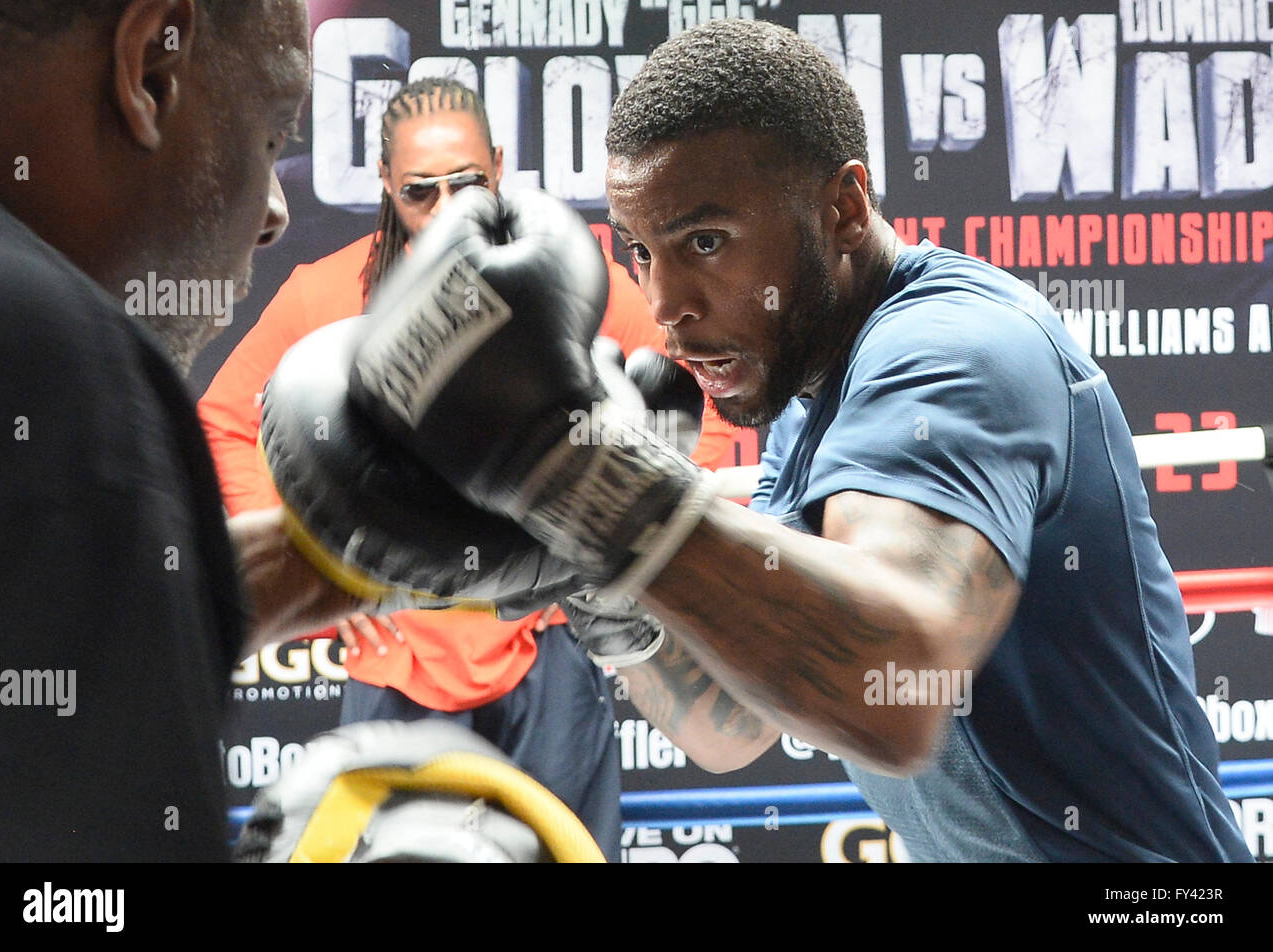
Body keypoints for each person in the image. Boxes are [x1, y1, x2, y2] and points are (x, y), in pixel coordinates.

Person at [368, 19, 1252, 862]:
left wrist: (595, 488)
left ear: (843, 207)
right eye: (640, 251)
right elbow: (731, 727)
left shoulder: (953, 354)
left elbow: (893, 688)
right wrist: (605, 584)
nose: (667, 307)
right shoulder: (801, 380)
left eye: (704, 241)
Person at [197, 77, 741, 861]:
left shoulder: (561, 279)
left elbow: (697, 400)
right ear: (385, 183)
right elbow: (223, 421)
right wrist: (334, 545)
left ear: (499, 165)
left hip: (543, 644)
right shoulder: (327, 294)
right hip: (401, 656)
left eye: (467, 183)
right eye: (421, 190)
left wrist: (613, 545)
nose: (447, 205)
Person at [0, 0, 377, 861]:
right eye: (272, 135)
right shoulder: (39, 344)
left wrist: (321, 560)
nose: (273, 209)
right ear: (152, 71)